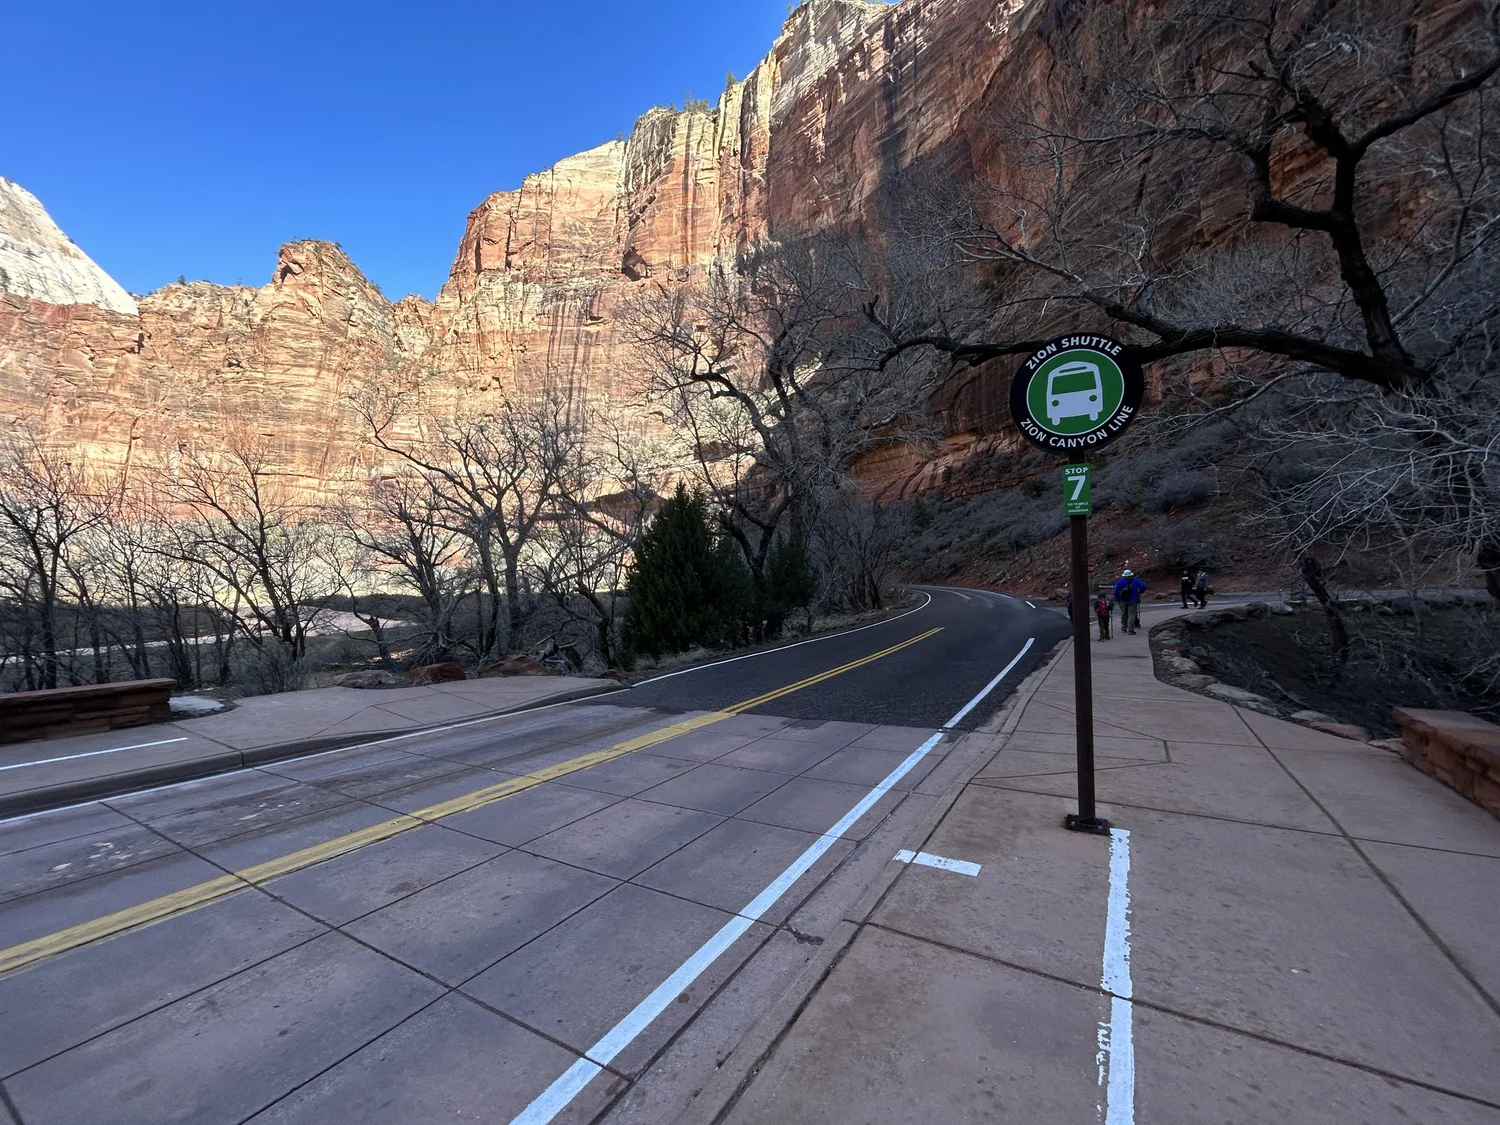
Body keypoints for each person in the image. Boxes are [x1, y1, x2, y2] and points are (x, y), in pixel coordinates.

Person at [1113, 569, 1147, 634]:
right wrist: (1140, 592)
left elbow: (1116, 592)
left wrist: (1118, 600)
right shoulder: (1135, 580)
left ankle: (1124, 627)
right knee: (1132, 614)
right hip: (1133, 600)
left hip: (1122, 600)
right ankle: (1131, 630)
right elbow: (1143, 586)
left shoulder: (1120, 582)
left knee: (1124, 614)